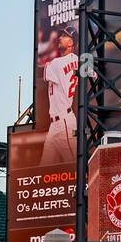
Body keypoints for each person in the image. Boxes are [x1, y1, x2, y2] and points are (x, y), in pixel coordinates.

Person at [40, 26, 78, 165]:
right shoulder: (80, 61)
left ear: (71, 43)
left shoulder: (56, 63)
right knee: (44, 168)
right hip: (56, 125)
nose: (60, 37)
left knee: (74, 167)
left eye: (65, 36)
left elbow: (40, 71)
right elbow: (94, 75)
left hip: (65, 122)